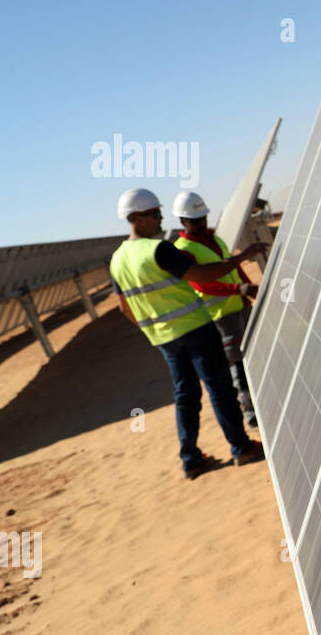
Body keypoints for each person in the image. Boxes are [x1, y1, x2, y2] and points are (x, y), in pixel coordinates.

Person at [109, 188, 265, 479]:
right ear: (134, 219)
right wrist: (240, 258)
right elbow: (202, 276)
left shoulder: (117, 259)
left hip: (164, 340)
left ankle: (191, 459)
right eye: (154, 214)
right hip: (196, 328)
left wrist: (151, 330)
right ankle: (241, 448)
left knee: (186, 395)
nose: (160, 218)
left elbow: (123, 308)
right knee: (220, 389)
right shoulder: (159, 249)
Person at [170, 190, 259, 428]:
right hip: (221, 317)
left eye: (203, 218)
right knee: (238, 366)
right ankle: (251, 415)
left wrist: (246, 290)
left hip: (240, 306)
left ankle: (263, 404)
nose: (201, 224)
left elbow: (231, 266)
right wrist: (238, 289)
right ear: (182, 221)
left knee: (257, 356)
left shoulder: (215, 238)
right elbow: (202, 284)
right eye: (195, 221)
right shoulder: (182, 249)